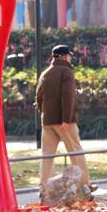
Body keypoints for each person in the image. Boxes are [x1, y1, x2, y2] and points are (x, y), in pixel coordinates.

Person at [34, 44, 91, 195]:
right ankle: (84, 185)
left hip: (47, 121)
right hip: (65, 122)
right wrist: (66, 118)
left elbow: (38, 97)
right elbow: (68, 97)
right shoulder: (66, 72)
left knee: (47, 156)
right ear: (65, 56)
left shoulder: (45, 73)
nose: (70, 58)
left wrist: (44, 113)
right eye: (69, 55)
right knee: (76, 152)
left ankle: (44, 188)